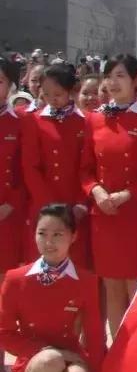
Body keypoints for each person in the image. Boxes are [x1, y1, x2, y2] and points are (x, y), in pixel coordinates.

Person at [79, 53, 137, 338]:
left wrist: (127, 194)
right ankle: (115, 361)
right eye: (109, 76)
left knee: (135, 288)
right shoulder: (94, 120)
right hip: (104, 216)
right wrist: (96, 192)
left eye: (120, 76)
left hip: (135, 215)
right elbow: (85, 170)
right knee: (111, 287)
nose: (113, 82)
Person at [0, 204, 106, 372]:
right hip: (33, 360)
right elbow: (4, 332)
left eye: (57, 234)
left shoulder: (86, 280)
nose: (49, 242)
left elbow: (94, 335)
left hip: (72, 357)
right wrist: (45, 350)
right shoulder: (16, 279)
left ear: (73, 236)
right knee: (49, 361)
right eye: (42, 234)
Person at [20, 64, 91, 267]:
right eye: (47, 93)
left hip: (75, 206)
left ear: (70, 91)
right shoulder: (33, 121)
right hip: (43, 204)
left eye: (58, 94)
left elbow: (86, 166)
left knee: (75, 264)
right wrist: (48, 206)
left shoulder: (84, 122)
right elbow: (30, 166)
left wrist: (80, 203)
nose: (53, 98)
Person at [0, 57, 26, 276]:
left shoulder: (20, 122)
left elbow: (25, 169)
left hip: (6, 213)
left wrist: (10, 204)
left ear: (10, 86)